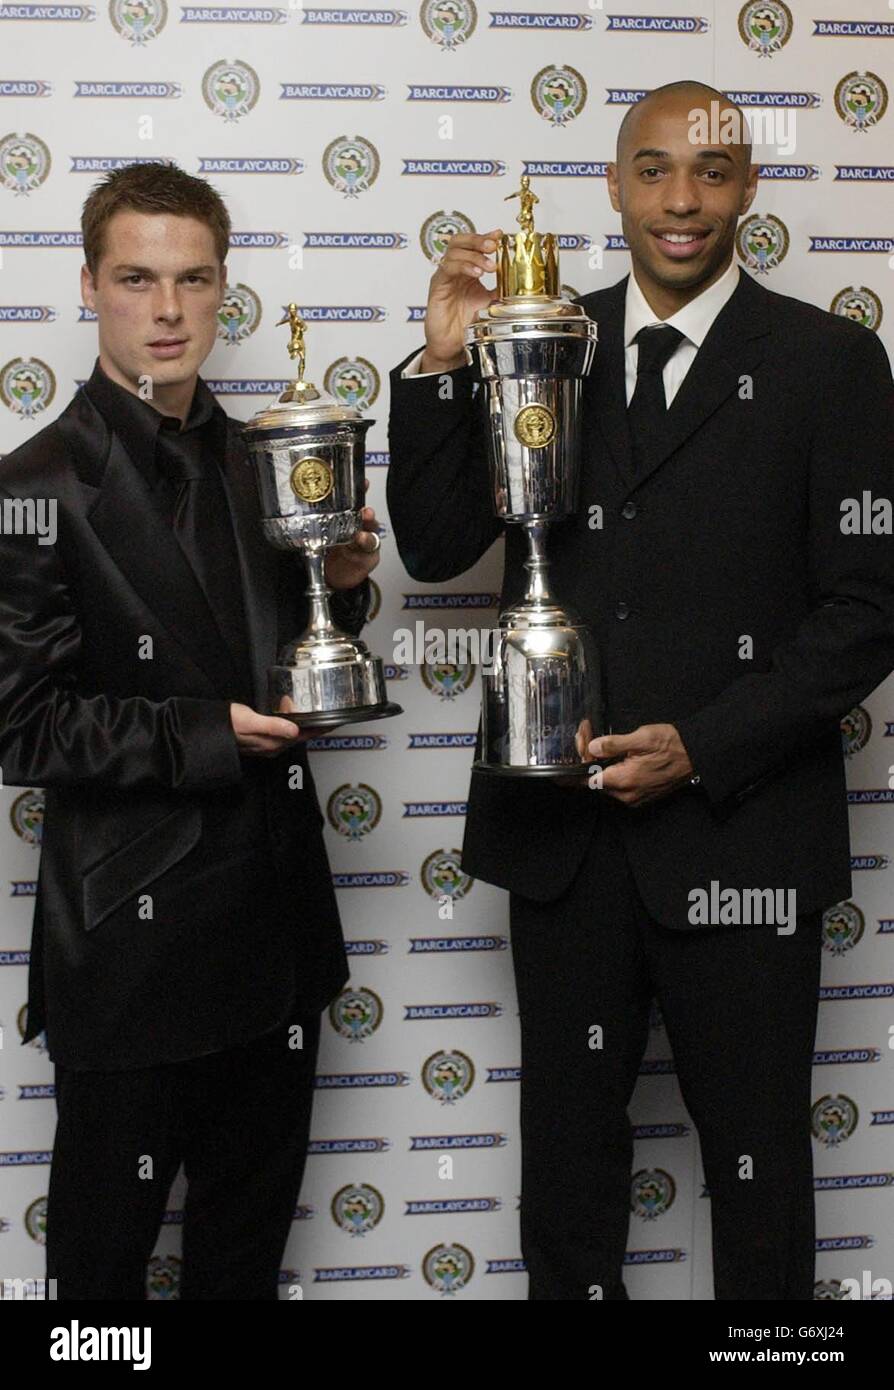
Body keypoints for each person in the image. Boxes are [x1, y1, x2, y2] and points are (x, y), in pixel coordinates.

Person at [387, 82, 894, 1300]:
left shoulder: (830, 361)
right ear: (613, 184)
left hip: (745, 830)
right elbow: (437, 541)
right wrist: (447, 362)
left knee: (763, 1174)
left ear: (748, 190)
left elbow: (868, 608)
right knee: (567, 1170)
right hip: (565, 840)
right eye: (654, 169)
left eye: (712, 173)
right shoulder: (541, 340)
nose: (682, 200)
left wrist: (705, 746)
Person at [0, 161, 380, 1300]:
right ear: (89, 286)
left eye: (192, 279)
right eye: (136, 278)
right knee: (99, 1289)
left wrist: (342, 592)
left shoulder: (268, 462)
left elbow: (275, 662)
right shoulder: (38, 484)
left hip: (273, 939)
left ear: (224, 291)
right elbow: (23, 727)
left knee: (240, 1270)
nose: (166, 309)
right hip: (131, 953)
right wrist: (204, 735)